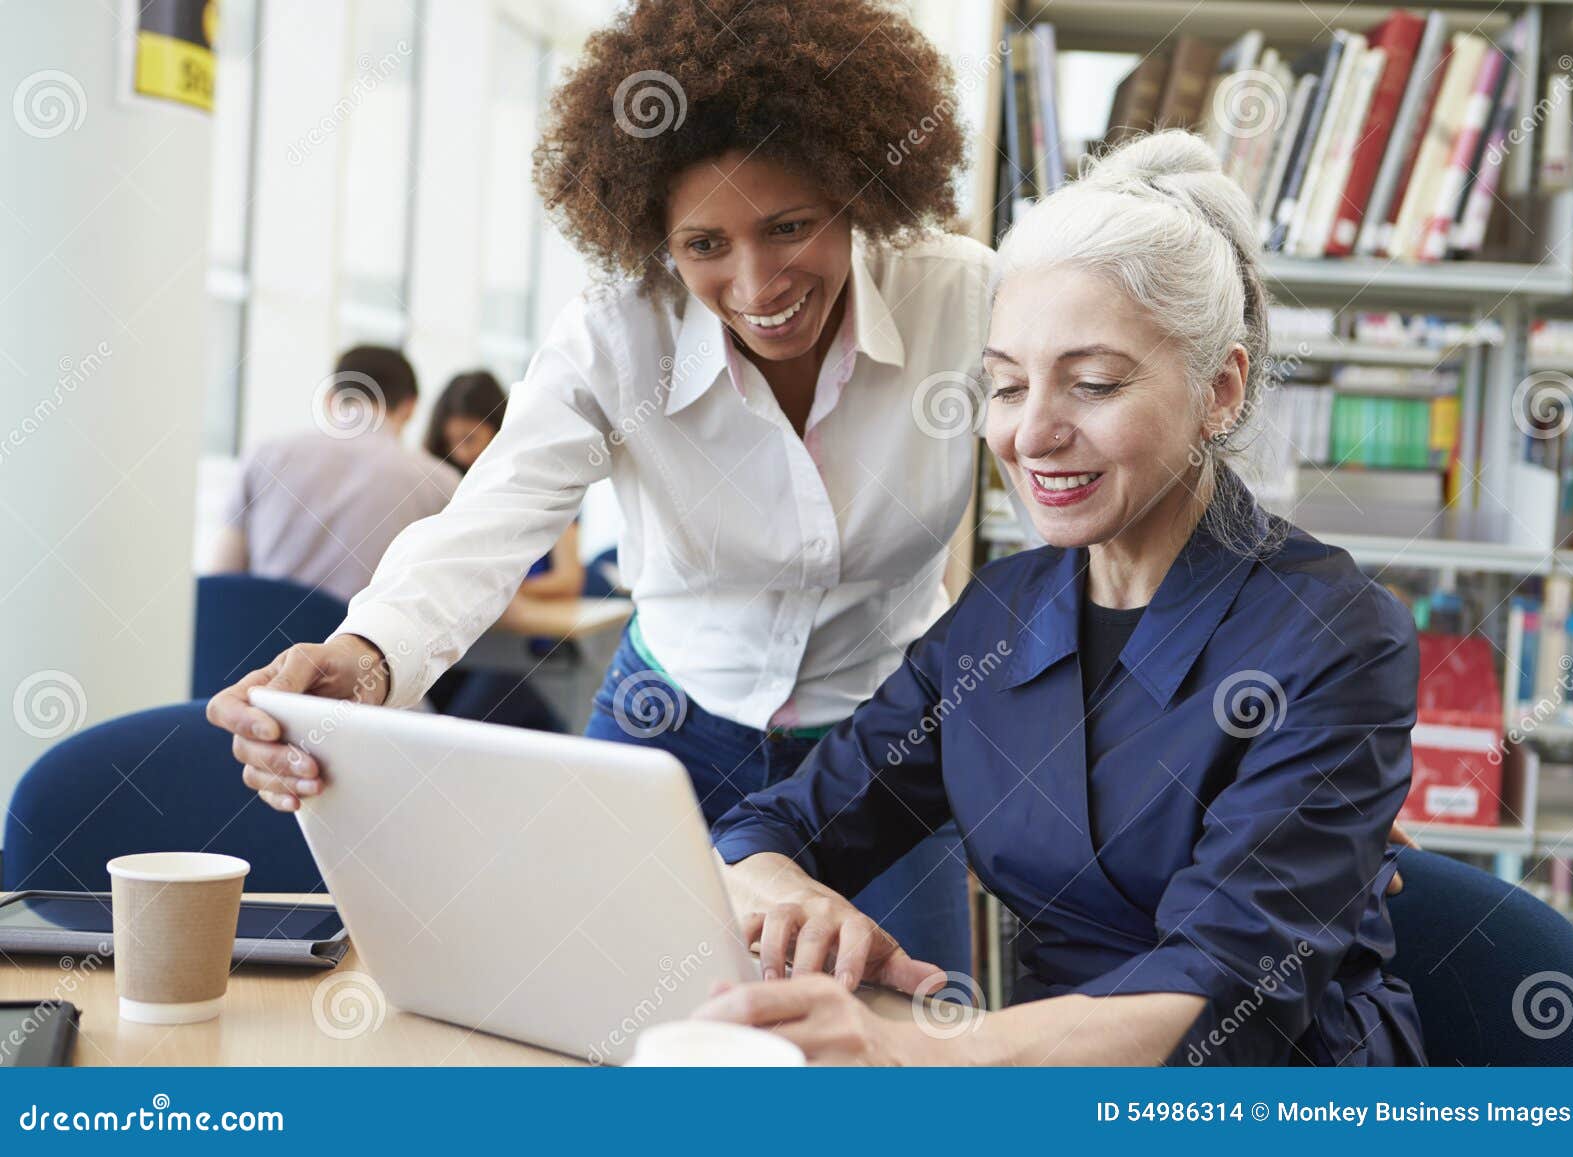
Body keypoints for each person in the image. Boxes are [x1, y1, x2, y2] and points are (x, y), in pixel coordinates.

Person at [205, 0, 993, 974]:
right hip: (670, 739)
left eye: (791, 225)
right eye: (705, 244)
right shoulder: (618, 335)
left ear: (861, 189)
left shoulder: (970, 302)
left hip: (887, 748)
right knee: (606, 1021)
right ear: (655, 231)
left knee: (909, 1050)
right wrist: (367, 655)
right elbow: (485, 524)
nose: (756, 283)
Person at [693, 130, 1427, 1066]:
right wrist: (785, 891)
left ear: (1220, 390)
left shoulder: (1334, 634)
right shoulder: (999, 614)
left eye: (1092, 384)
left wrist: (913, 1054)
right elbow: (781, 819)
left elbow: (1223, 991)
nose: (1031, 433)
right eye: (1004, 385)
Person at [208, 345, 459, 603]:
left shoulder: (265, 456)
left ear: (331, 399)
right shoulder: (440, 482)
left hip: (258, 639)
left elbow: (222, 582)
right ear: (409, 408)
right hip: (361, 641)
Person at [423, 369, 584, 600]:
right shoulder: (446, 486)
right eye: (450, 441)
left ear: (498, 431)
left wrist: (488, 593)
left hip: (533, 624)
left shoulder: (544, 485)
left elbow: (569, 580)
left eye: (469, 439)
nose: (459, 453)